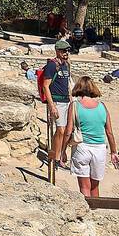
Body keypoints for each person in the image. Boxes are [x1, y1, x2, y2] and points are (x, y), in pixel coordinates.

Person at [63, 76, 119, 198]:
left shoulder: (74, 105)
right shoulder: (102, 106)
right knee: (95, 185)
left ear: (78, 87)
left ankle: (88, 213)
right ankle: (96, 211)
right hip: (99, 148)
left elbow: (68, 131)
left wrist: (63, 151)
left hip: (81, 147)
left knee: (84, 186)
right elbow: (109, 132)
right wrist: (114, 152)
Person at [42, 40, 74, 170]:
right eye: (64, 51)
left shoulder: (66, 65)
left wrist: (71, 99)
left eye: (67, 50)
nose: (66, 53)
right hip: (57, 101)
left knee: (67, 131)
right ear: (57, 51)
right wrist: (52, 106)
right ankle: (56, 158)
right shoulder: (51, 65)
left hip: (66, 101)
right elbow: (45, 86)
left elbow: (67, 84)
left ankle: (61, 154)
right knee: (60, 130)